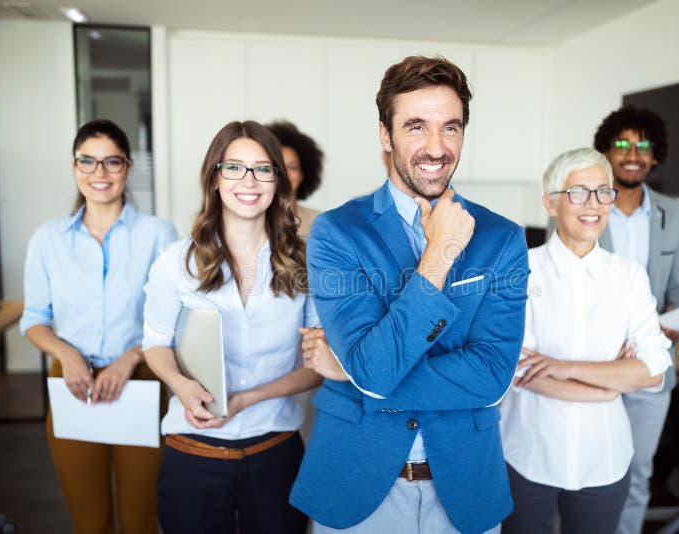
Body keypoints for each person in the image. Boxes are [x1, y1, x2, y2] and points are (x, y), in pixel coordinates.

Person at [291, 55, 529, 534]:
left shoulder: (503, 238)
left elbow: (491, 376)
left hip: (463, 484)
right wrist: (438, 255)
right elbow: (374, 370)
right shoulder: (337, 232)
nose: (436, 147)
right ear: (386, 134)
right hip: (355, 483)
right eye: (416, 127)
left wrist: (351, 370)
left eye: (451, 128)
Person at [142, 120, 327, 534]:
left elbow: (318, 364)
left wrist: (248, 398)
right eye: (235, 168)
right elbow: (154, 344)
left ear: (278, 181)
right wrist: (181, 384)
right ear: (215, 178)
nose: (250, 180)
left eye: (263, 169)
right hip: (191, 452)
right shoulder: (175, 262)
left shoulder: (306, 263)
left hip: (275, 453)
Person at [499, 147, 672, 534]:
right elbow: (517, 370)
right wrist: (609, 385)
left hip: (603, 459)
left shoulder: (629, 277)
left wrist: (564, 367)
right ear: (550, 202)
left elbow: (654, 370)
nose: (593, 204)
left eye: (603, 192)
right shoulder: (520, 273)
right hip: (528, 456)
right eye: (578, 192)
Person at [21, 119, 178, 534]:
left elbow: (171, 318)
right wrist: (67, 355)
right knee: (89, 521)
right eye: (87, 161)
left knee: (140, 518)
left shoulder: (158, 234)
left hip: (142, 378)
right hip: (72, 384)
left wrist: (129, 359)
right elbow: (34, 320)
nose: (99, 173)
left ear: (127, 167)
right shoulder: (48, 239)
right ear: (74, 167)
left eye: (111, 161)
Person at [592, 106, 679, 534]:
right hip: (595, 365)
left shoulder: (676, 215)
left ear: (655, 156)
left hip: (651, 367)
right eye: (622, 144)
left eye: (642, 146)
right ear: (606, 153)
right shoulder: (583, 206)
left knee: (637, 474)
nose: (632, 154)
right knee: (588, 472)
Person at [266, 120, 324, 237]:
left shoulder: (319, 222)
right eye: (278, 167)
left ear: (303, 174)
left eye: (292, 167)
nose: (285, 174)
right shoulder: (253, 221)